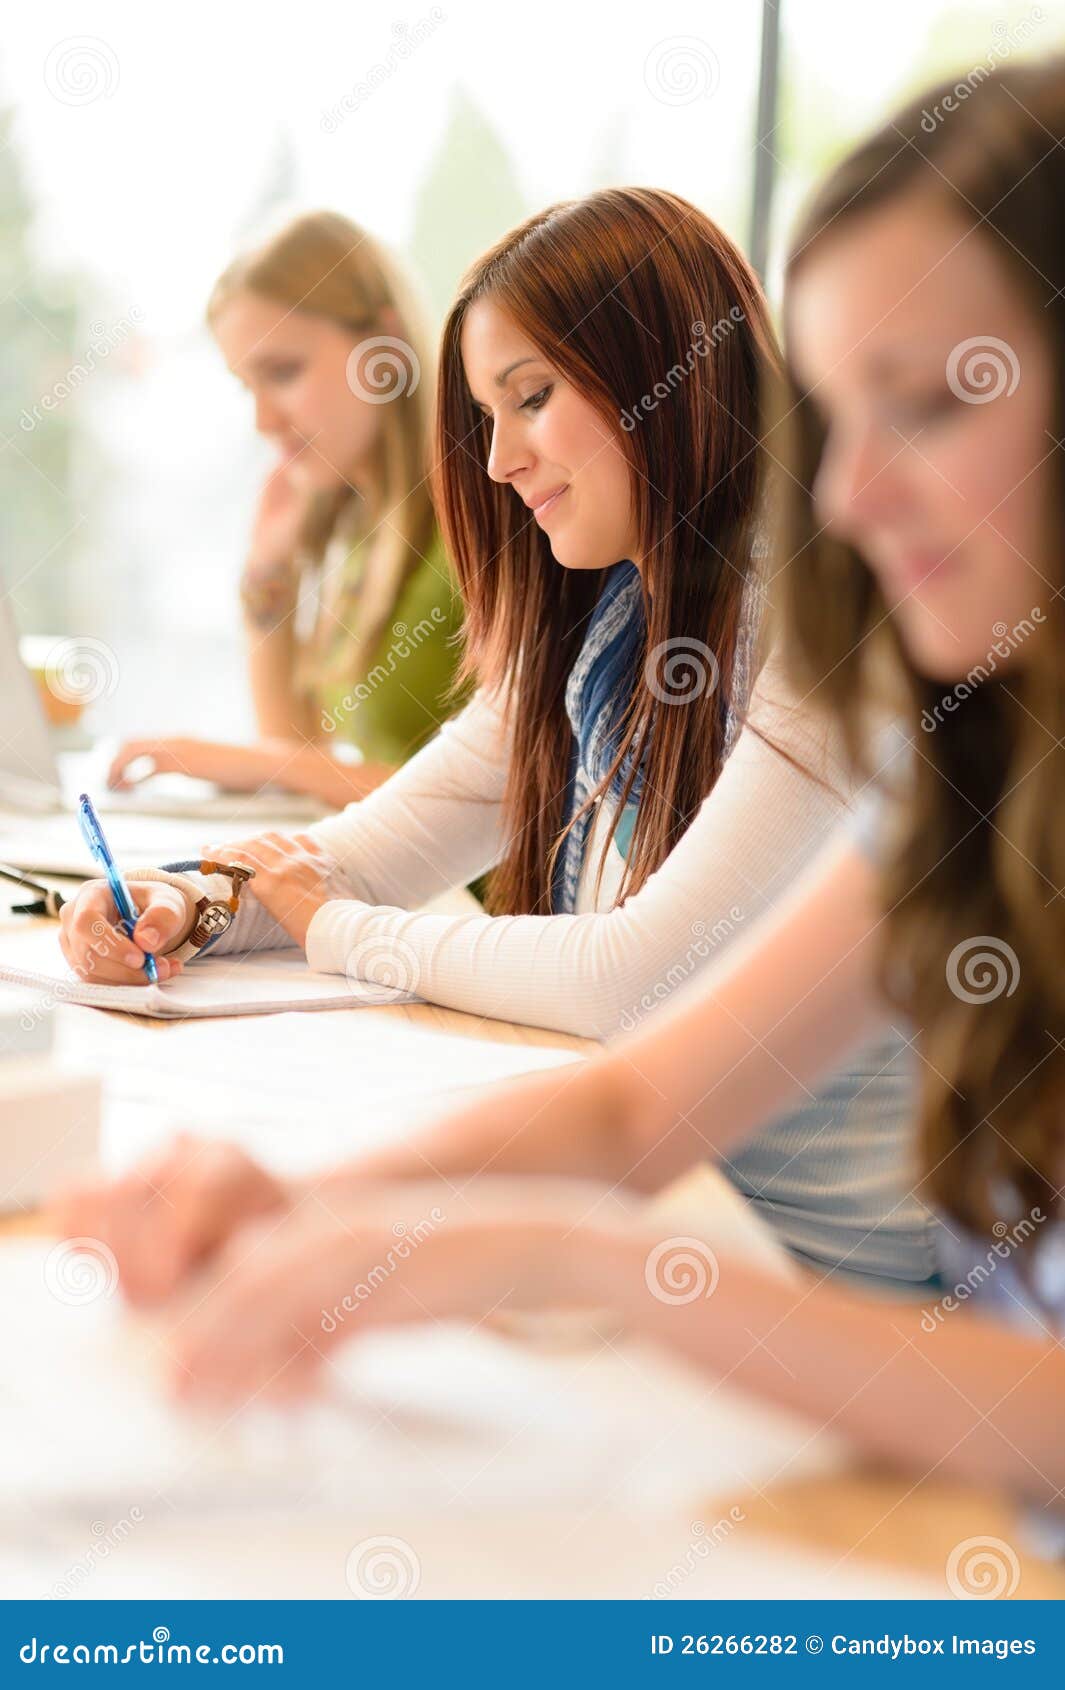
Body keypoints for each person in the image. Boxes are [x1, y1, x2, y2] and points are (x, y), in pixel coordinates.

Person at [56, 186, 937, 1284]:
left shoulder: (817, 637)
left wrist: (339, 931)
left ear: (672, 374)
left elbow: (631, 974)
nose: (498, 462)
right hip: (664, 1215)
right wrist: (187, 901)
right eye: (488, 416)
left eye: (532, 398)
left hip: (823, 1269)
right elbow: (368, 850)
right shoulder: (597, 621)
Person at [107, 211, 463, 810]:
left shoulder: (478, 518)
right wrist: (269, 572)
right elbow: (299, 756)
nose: (263, 421)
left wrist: (249, 763)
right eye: (249, 386)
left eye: (284, 372)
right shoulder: (363, 532)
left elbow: (483, 803)